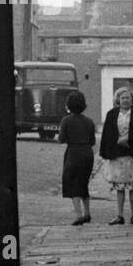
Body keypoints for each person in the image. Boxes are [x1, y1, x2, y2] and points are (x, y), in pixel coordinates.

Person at [98, 86, 133, 226]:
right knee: (119, 187)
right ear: (118, 100)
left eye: (128, 97)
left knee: (132, 186)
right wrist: (106, 153)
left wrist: (129, 141)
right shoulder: (111, 114)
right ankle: (119, 215)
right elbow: (107, 135)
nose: (125, 100)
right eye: (123, 98)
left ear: (132, 99)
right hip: (117, 154)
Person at [57, 91, 95, 226]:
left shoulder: (66, 120)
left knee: (72, 184)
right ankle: (87, 213)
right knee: (83, 183)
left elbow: (61, 139)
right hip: (87, 153)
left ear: (69, 105)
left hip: (73, 153)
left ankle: (79, 215)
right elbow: (93, 141)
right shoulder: (89, 121)